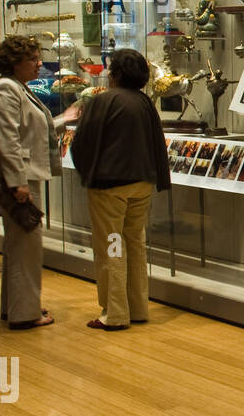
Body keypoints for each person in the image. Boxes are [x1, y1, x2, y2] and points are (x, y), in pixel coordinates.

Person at [70, 49, 171, 331]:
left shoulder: (104, 100)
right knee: (135, 244)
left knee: (111, 247)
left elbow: (82, 143)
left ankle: (114, 312)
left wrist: (87, 172)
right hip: (142, 184)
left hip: (110, 186)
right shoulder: (145, 102)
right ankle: (137, 307)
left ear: (115, 74)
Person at [0, 35, 78, 330]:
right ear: (15, 63)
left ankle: (16, 306)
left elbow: (31, 129)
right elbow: (7, 139)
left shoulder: (17, 89)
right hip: (20, 178)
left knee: (19, 247)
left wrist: (64, 118)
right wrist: (17, 181)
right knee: (26, 247)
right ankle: (25, 313)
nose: (39, 64)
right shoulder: (5, 91)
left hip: (24, 175)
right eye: (33, 59)